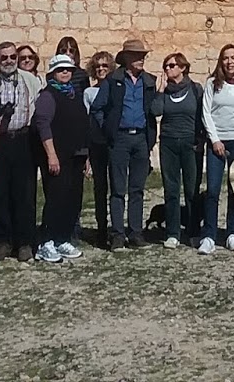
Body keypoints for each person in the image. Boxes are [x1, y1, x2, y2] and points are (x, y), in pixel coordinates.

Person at [91, 37, 157, 249]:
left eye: (143, 56)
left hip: (140, 138)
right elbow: (97, 108)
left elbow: (153, 109)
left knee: (137, 189)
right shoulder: (113, 80)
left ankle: (136, 233)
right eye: (137, 56)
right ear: (127, 58)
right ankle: (118, 234)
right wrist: (108, 128)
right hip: (119, 138)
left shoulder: (149, 81)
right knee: (118, 189)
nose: (141, 60)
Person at [0, 40, 41, 262]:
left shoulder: (29, 81)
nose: (8, 61)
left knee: (25, 193)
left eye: (12, 57)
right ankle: (3, 241)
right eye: (4, 57)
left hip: (23, 140)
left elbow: (39, 106)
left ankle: (25, 241)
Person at [32, 54, 90, 263]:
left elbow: (83, 125)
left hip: (76, 156)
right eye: (61, 70)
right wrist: (51, 155)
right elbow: (43, 125)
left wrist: (87, 156)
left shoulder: (74, 94)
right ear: (52, 73)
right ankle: (45, 242)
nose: (65, 73)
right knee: (56, 199)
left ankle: (62, 238)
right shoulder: (48, 95)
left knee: (72, 200)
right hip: (58, 157)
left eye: (68, 70)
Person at [200, 43, 234, 254]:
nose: (229, 62)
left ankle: (233, 233)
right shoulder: (212, 84)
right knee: (213, 189)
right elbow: (206, 113)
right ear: (220, 62)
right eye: (225, 58)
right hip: (217, 143)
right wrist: (214, 139)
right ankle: (209, 235)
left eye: (233, 58)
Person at [151, 51, 205, 248]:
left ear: (182, 67)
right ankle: (172, 232)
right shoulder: (165, 92)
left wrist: (201, 139)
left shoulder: (195, 89)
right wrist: (160, 90)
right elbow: (156, 111)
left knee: (192, 189)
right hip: (168, 143)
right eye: (166, 66)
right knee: (171, 189)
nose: (167, 69)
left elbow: (202, 115)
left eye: (172, 65)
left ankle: (192, 231)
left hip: (190, 143)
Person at [83, 50, 115, 248]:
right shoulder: (89, 92)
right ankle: (101, 229)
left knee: (117, 187)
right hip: (96, 144)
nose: (101, 69)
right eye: (98, 66)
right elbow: (86, 122)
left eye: (105, 65)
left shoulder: (116, 89)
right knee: (100, 188)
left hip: (114, 144)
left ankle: (117, 228)